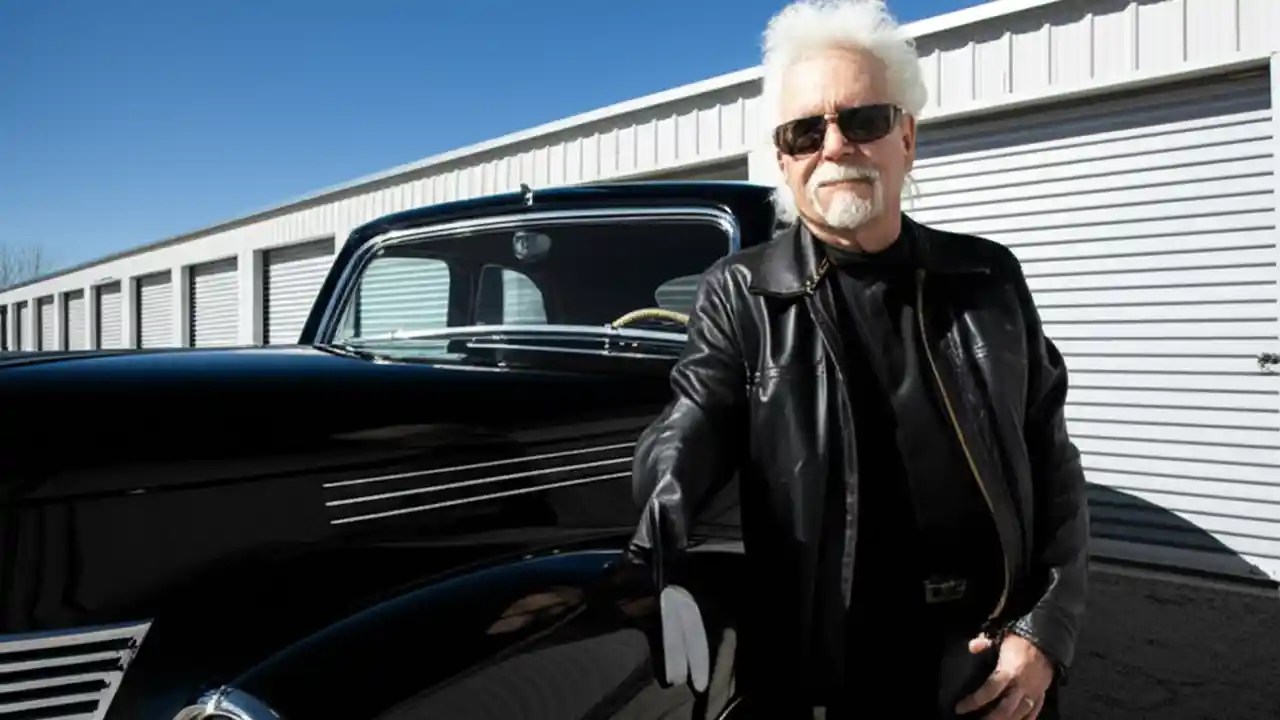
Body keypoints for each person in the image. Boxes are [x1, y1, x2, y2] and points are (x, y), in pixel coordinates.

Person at [624, 1, 1089, 718]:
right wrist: (661, 546)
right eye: (805, 130)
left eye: (863, 120)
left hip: (987, 673)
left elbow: (1054, 465)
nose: (835, 146)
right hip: (826, 681)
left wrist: (1044, 634)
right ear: (784, 159)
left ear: (906, 135)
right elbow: (694, 419)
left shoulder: (988, 279)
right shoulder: (743, 292)